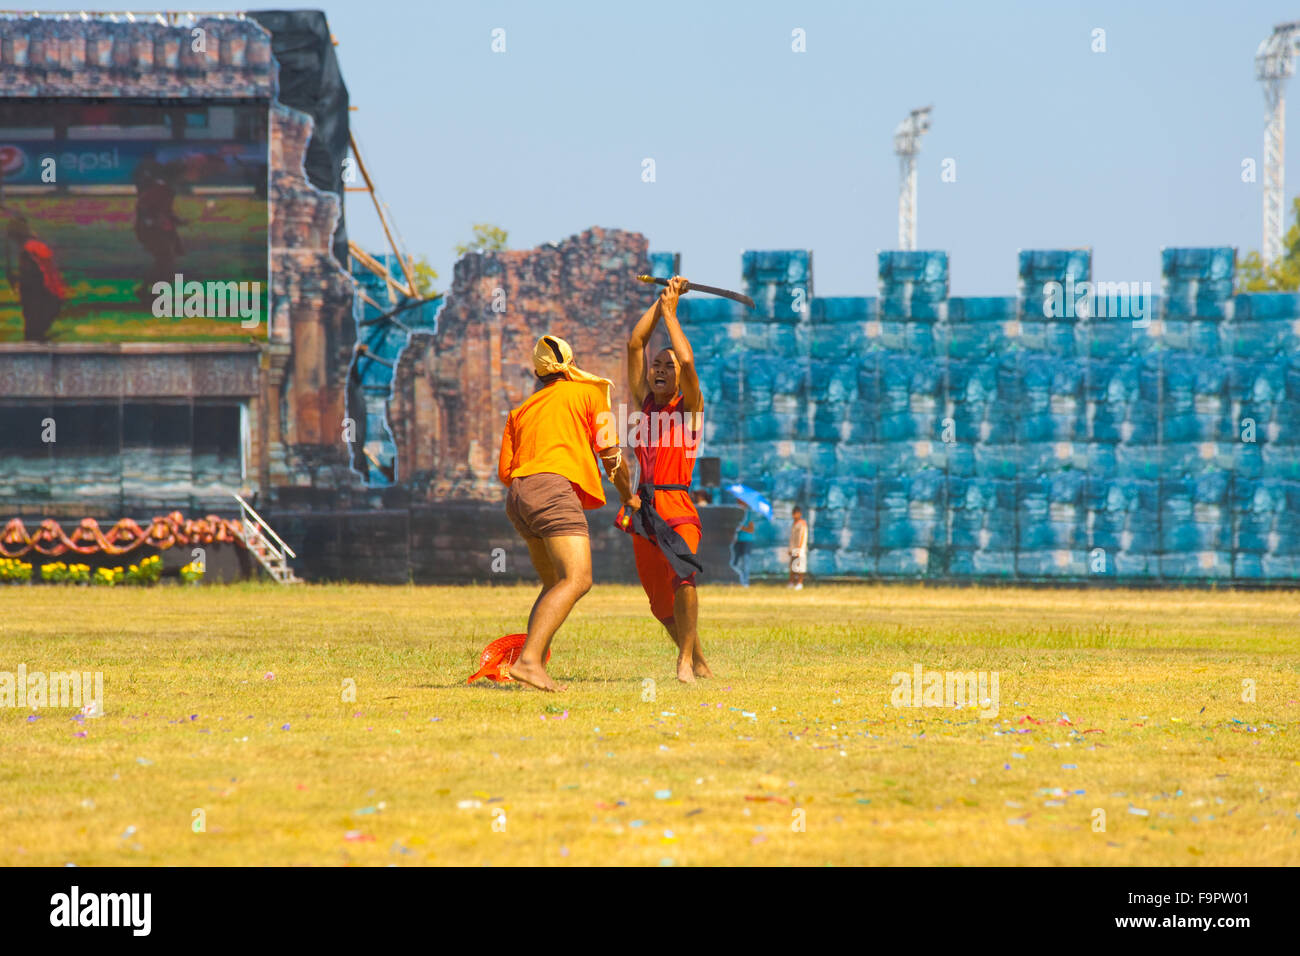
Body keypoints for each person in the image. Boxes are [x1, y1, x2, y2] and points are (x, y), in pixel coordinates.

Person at [498, 334, 638, 692]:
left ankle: (530, 664)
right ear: (572, 363)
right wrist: (628, 496)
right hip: (551, 490)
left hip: (519, 495)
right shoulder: (589, 395)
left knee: (553, 584)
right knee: (577, 580)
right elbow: (612, 456)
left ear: (537, 371)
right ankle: (529, 662)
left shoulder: (521, 410)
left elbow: (505, 471)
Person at [619, 275, 713, 683]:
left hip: (677, 506)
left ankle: (683, 666)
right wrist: (661, 303)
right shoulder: (643, 404)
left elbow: (689, 362)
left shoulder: (690, 408)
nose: (658, 369)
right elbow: (634, 344)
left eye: (666, 366)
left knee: (684, 578)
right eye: (656, 365)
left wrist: (672, 314)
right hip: (643, 508)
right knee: (659, 603)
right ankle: (697, 659)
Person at [5, 216, 65, 342]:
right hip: (55, 296)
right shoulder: (37, 246)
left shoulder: (28, 252)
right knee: (36, 336)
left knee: (33, 337)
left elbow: (32, 279)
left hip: (43, 299)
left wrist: (15, 279)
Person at [730, 504, 755, 587]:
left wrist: (741, 527)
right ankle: (735, 580)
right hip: (736, 541)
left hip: (746, 542)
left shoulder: (749, 514)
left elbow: (751, 530)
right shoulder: (736, 513)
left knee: (745, 562)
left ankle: (745, 582)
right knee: (734, 562)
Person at [788, 506, 808, 589]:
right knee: (793, 566)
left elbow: (802, 536)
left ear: (800, 514)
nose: (794, 516)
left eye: (796, 514)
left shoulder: (802, 523)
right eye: (793, 514)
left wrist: (799, 548)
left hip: (800, 548)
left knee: (800, 566)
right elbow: (792, 538)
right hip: (794, 548)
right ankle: (791, 582)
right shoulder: (794, 523)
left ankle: (800, 583)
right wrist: (790, 548)